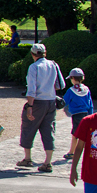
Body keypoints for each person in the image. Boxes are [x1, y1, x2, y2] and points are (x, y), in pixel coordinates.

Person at [17, 43, 64, 173]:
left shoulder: (34, 67)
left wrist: (30, 105)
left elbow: (31, 88)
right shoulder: (53, 65)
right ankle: (48, 162)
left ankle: (27, 158)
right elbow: (60, 85)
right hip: (51, 101)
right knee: (48, 130)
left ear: (32, 54)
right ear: (45, 53)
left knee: (28, 127)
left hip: (38, 101)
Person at [61, 68, 94, 159]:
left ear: (73, 78)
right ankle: (88, 151)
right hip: (86, 114)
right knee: (86, 134)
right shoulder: (86, 89)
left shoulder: (71, 90)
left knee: (75, 134)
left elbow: (64, 102)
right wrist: (91, 116)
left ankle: (72, 152)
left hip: (76, 115)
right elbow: (90, 104)